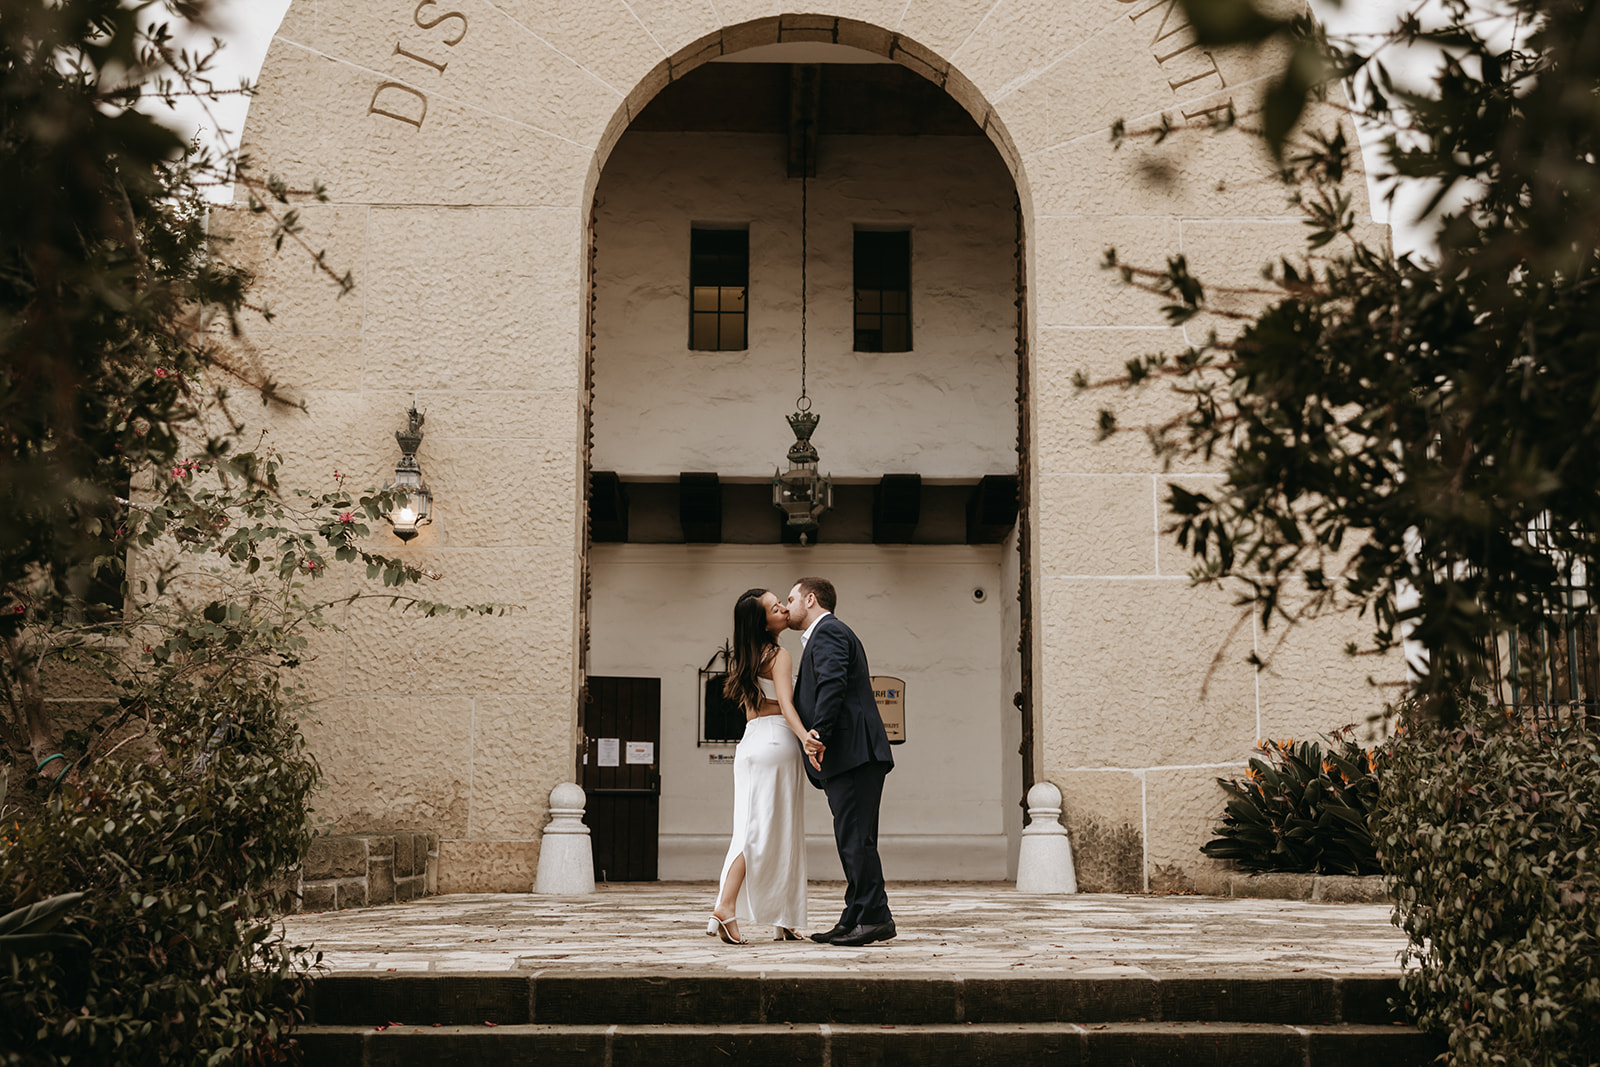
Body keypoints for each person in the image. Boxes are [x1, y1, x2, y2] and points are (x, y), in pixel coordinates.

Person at [785, 577, 896, 946]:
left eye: (791, 599)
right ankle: (855, 915)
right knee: (853, 838)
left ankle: (876, 917)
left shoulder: (828, 632)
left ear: (811, 599)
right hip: (853, 755)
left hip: (852, 753)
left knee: (856, 839)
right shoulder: (826, 634)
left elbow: (832, 684)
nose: (787, 607)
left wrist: (819, 734)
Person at [707, 588, 817, 945]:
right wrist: (805, 738)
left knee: (752, 828)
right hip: (777, 742)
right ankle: (725, 907)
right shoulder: (779, 655)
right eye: (775, 608)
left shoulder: (747, 657)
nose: (784, 608)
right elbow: (786, 704)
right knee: (768, 831)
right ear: (763, 621)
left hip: (751, 742)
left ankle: (783, 919)